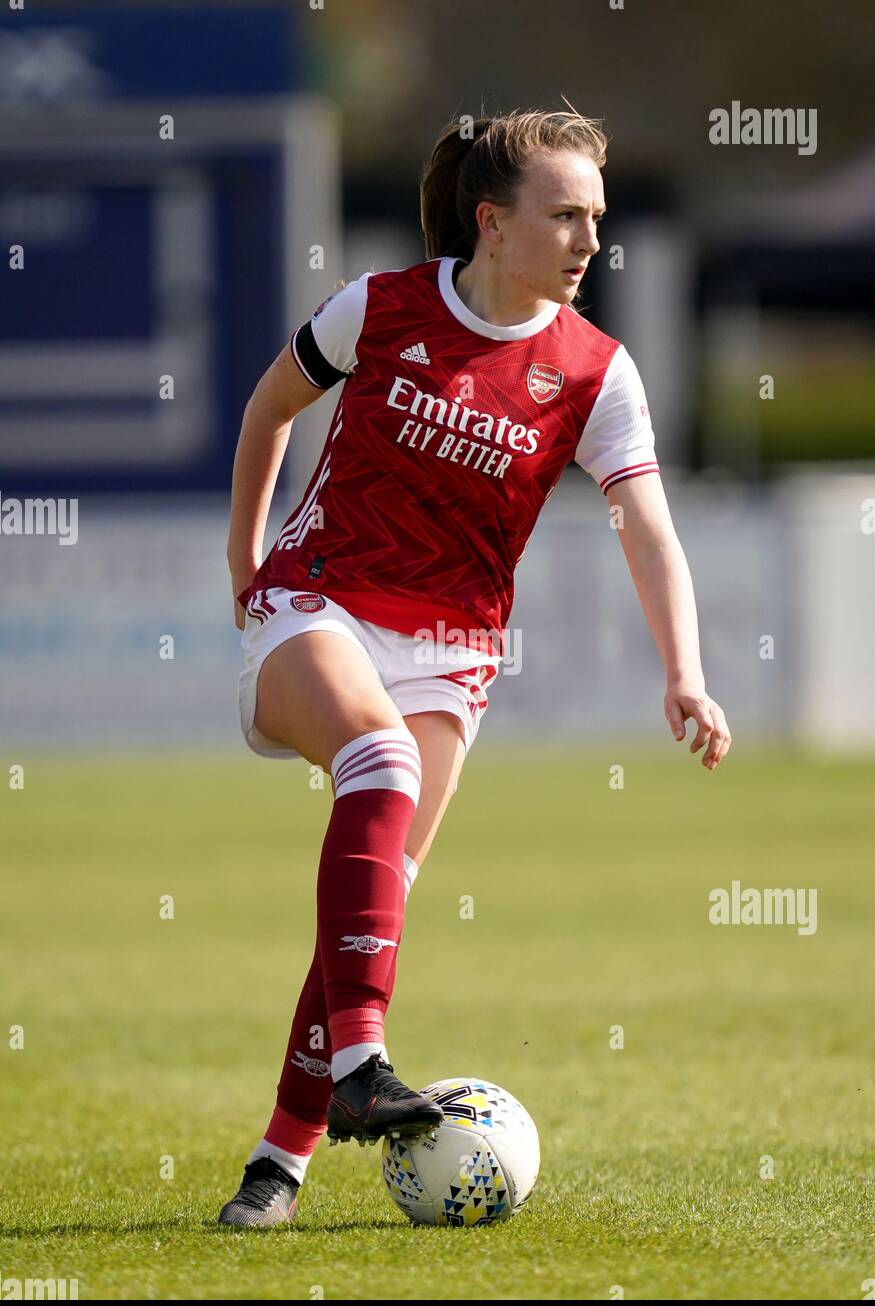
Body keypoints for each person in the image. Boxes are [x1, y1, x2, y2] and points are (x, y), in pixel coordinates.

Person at [219, 105, 730, 1227]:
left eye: (597, 216)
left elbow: (647, 529)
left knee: (374, 901)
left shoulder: (595, 370)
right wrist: (245, 560)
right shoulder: (383, 307)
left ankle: (279, 1162)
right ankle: (365, 1058)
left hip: (452, 648)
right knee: (380, 760)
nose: (591, 239)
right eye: (565, 216)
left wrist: (684, 671)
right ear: (493, 225)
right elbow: (268, 408)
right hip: (320, 604)